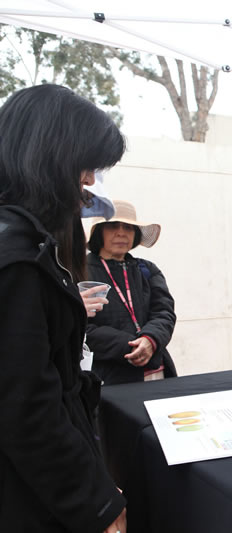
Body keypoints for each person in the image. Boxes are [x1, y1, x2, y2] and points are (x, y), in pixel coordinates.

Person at [0, 84, 127, 532]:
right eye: (86, 165)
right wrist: (94, 503)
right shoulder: (16, 258)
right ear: (50, 155)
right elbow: (27, 406)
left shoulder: (26, 242)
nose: (89, 180)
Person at [85, 200, 178, 385]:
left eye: (128, 227)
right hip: (107, 378)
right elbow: (80, 327)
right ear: (99, 233)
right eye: (113, 226)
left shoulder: (147, 269)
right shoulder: (80, 270)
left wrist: (150, 340)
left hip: (156, 373)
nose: (121, 232)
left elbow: (164, 312)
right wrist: (131, 345)